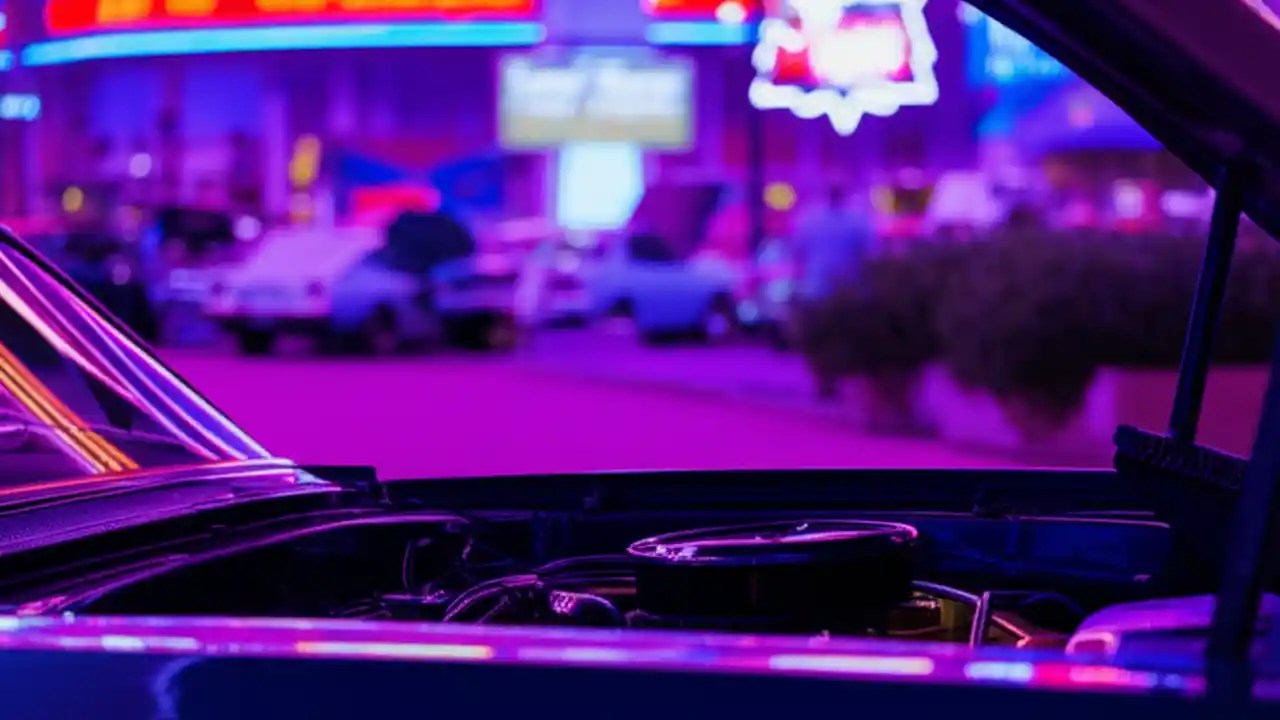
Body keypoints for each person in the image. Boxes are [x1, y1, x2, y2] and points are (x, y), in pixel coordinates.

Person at [790, 183, 879, 400]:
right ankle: (842, 380)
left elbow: (796, 253)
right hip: (849, 291)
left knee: (819, 339)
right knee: (846, 338)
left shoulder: (809, 221)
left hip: (817, 290)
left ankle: (824, 381)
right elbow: (872, 254)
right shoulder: (859, 222)